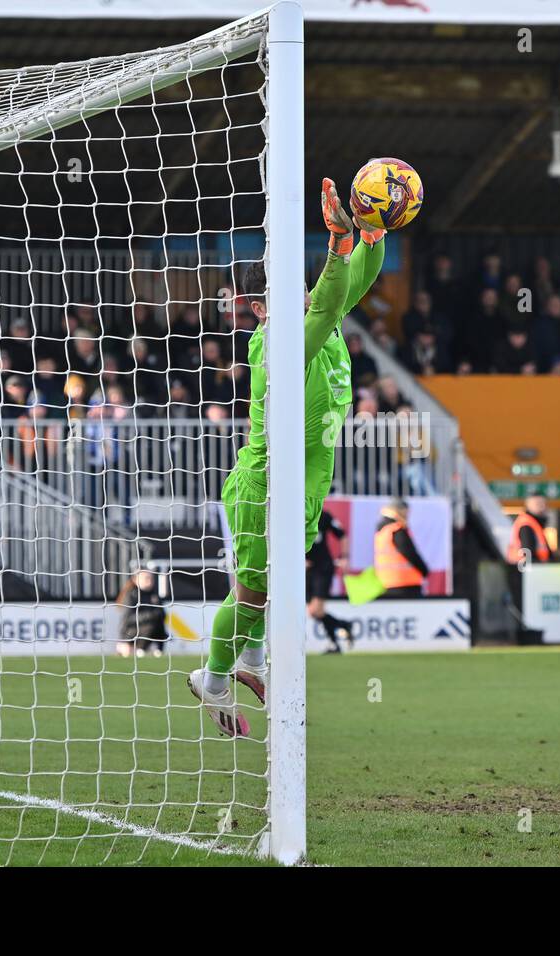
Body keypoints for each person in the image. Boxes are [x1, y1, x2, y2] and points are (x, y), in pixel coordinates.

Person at [187, 178, 385, 738]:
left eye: (303, 289)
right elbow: (330, 299)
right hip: (265, 483)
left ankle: (249, 660)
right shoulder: (277, 339)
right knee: (253, 591)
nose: (305, 296)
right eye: (287, 292)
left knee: (272, 588)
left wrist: (373, 229)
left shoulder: (314, 327)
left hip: (301, 482)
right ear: (257, 307)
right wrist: (338, 243)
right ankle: (215, 678)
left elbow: (355, 284)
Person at [307, 508, 354, 652]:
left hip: (323, 567)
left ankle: (336, 639)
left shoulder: (323, 515)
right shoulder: (295, 515)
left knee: (316, 610)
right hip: (306, 570)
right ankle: (342, 628)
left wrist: (344, 557)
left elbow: (342, 535)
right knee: (314, 611)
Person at [374, 498, 429, 598]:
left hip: (386, 583)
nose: (407, 517)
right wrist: (424, 570)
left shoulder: (382, 529)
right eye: (406, 513)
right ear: (400, 510)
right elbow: (409, 553)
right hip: (406, 584)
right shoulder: (396, 529)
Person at [115, 565, 169, 657]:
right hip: (131, 631)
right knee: (150, 625)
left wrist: (158, 614)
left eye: (151, 578)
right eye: (146, 578)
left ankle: (158, 650)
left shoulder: (154, 595)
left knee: (160, 625)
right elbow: (128, 619)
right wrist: (150, 615)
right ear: (136, 580)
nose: (150, 581)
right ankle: (138, 649)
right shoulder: (131, 595)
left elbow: (162, 614)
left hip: (151, 628)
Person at [507, 494, 552, 565]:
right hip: (527, 569)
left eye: (544, 503)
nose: (542, 506)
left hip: (531, 568)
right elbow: (528, 551)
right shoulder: (526, 524)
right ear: (528, 505)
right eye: (537, 504)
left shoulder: (535, 523)